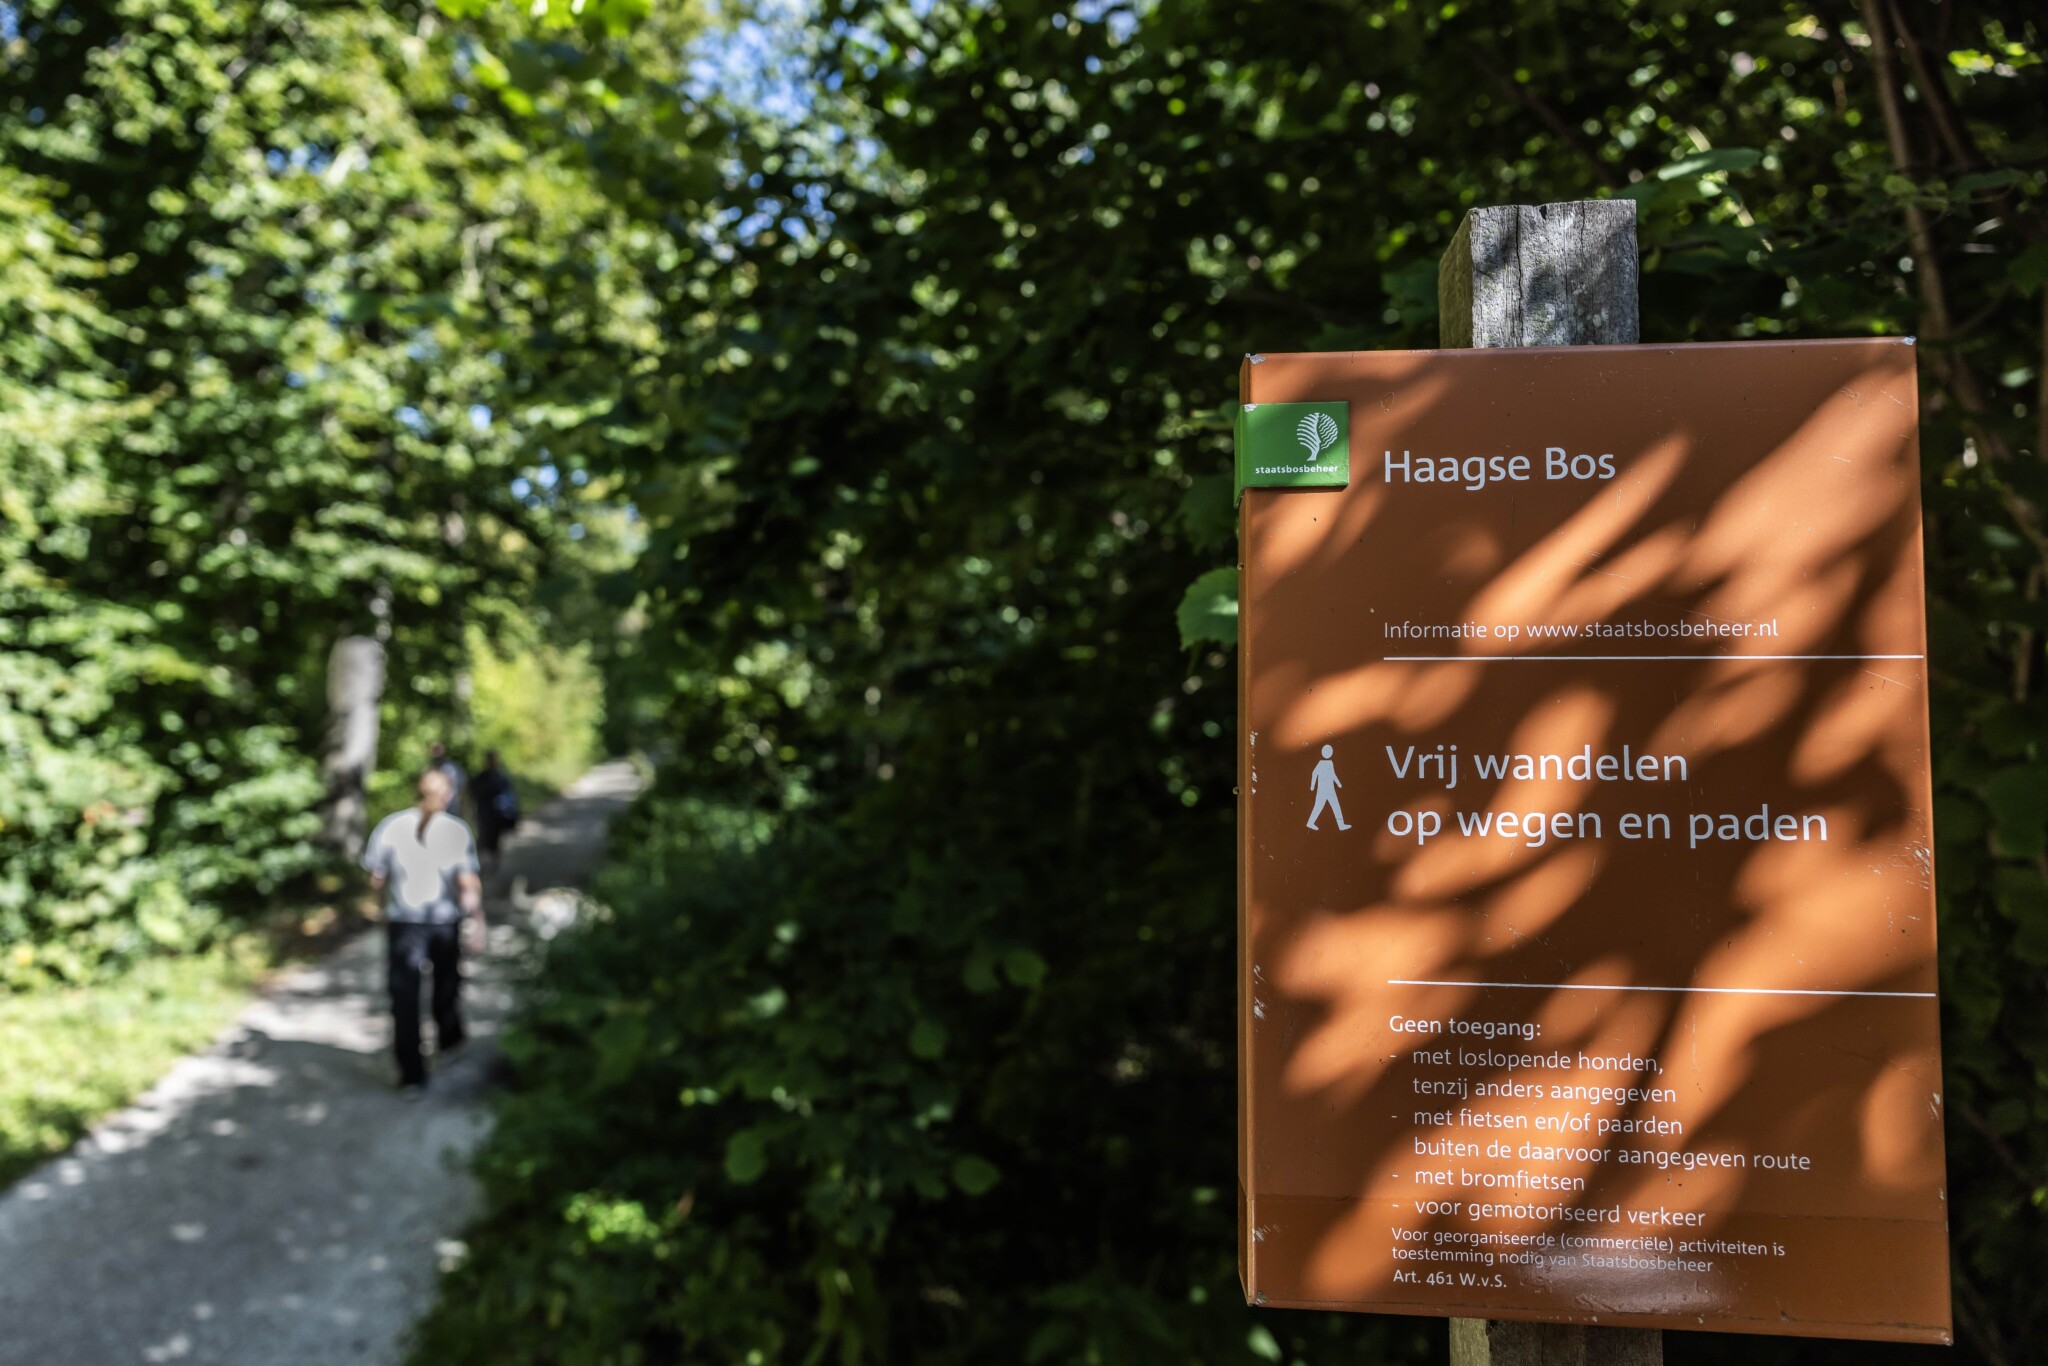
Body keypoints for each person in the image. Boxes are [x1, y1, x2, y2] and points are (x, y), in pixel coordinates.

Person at [361, 768, 484, 1094]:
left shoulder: (391, 826)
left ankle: (412, 1075)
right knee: (446, 985)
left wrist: (379, 910)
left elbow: (376, 878)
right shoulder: (457, 831)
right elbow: (467, 883)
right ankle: (448, 1042)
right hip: (443, 922)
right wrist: (477, 921)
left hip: (404, 923)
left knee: (405, 997)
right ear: (449, 794)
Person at [470, 749, 520, 874]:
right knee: (484, 840)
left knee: (495, 841)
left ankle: (493, 864)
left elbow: (510, 798)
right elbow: (473, 795)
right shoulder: (481, 778)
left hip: (497, 817)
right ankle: (485, 864)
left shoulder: (501, 778)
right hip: (484, 815)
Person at [428, 740, 468, 821]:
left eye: (438, 750)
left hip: (452, 808)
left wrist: (462, 809)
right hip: (434, 810)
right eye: (434, 750)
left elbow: (461, 789)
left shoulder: (452, 768)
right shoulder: (430, 769)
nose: (436, 753)